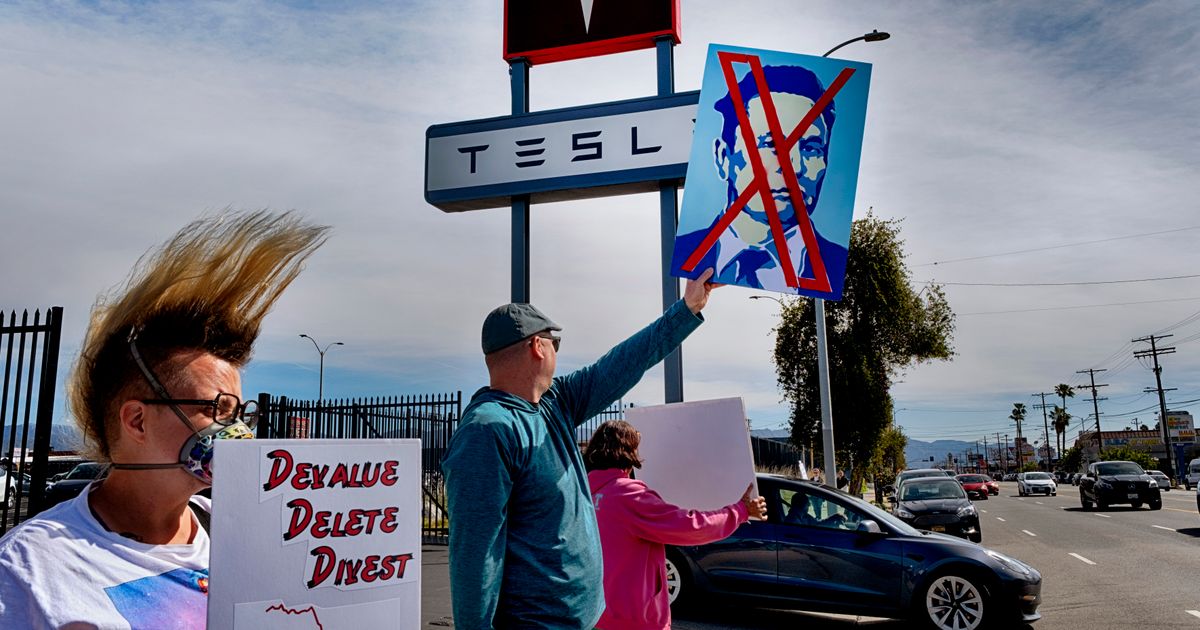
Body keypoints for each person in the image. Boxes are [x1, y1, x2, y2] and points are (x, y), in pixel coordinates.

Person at [0, 211, 328, 628]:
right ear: (136, 420)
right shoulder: (27, 571)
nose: (238, 432)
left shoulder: (250, 539)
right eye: (216, 408)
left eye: (239, 413)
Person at [442, 268, 720, 629]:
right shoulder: (487, 431)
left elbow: (622, 364)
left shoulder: (555, 402)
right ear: (537, 347)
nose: (556, 352)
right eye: (554, 343)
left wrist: (686, 309)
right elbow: (474, 557)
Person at [672, 64, 848, 296]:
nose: (794, 166)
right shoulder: (685, 253)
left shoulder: (839, 268)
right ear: (724, 158)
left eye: (811, 148)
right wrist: (688, 308)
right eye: (772, 144)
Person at [584, 421, 766, 630]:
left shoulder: (584, 491)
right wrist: (739, 511)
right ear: (627, 452)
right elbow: (691, 527)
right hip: (634, 619)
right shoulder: (628, 496)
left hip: (596, 614)